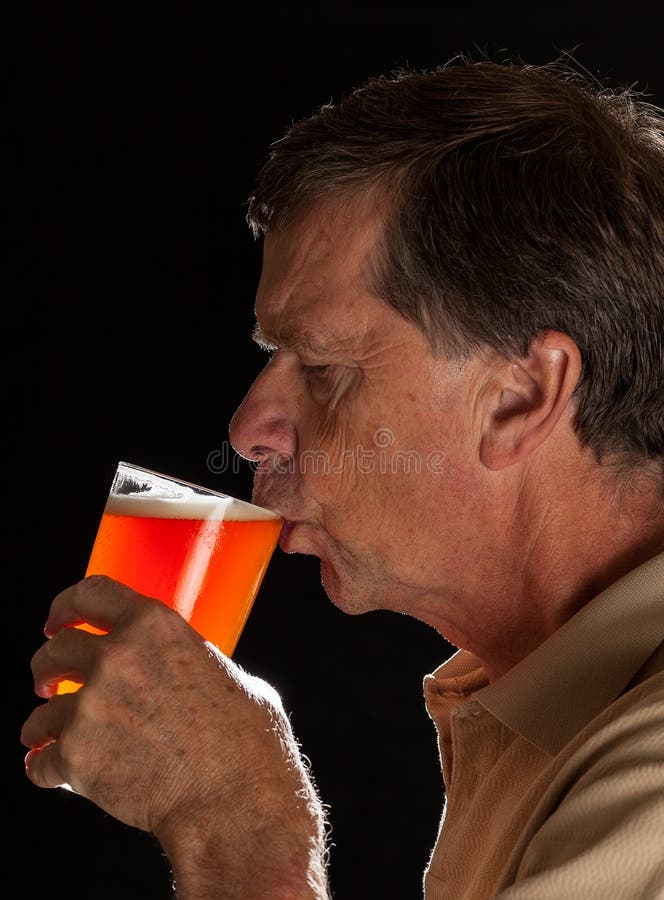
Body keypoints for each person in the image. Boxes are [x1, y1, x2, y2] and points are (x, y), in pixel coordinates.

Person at [21, 55, 664, 899]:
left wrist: (240, 828)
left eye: (322, 368)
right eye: (273, 357)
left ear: (520, 398)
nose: (249, 429)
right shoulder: (526, 701)